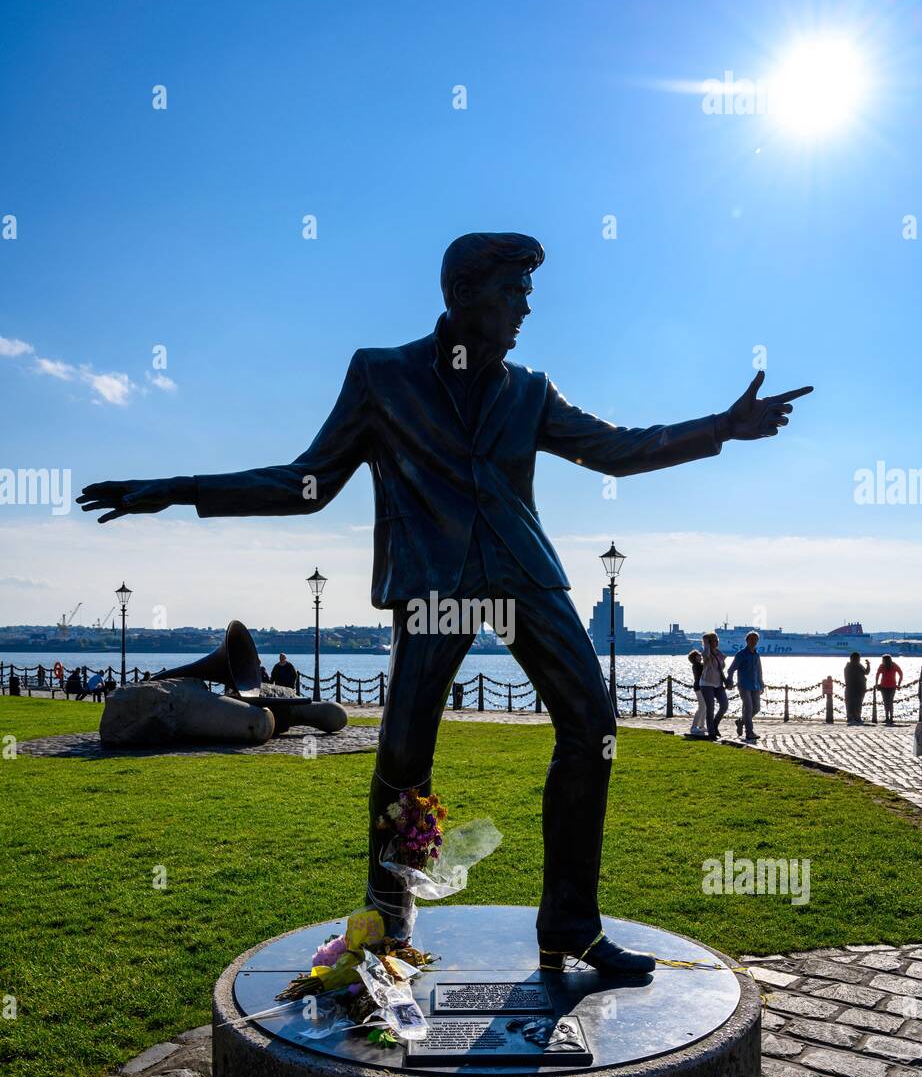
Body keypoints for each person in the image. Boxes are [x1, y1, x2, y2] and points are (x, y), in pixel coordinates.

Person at [78, 231, 812, 977]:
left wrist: (719, 428)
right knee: (403, 753)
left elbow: (616, 449)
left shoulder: (531, 389)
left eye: (528, 292)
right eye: (513, 292)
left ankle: (569, 923)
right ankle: (389, 923)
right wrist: (178, 489)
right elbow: (307, 485)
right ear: (463, 295)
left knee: (592, 728)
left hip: (526, 577)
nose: (527, 307)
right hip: (434, 586)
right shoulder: (382, 377)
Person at [726, 630, 764, 742]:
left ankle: (741, 722)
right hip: (744, 685)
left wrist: (761, 683)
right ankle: (749, 732)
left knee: (756, 708)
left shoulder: (757, 655)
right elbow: (731, 669)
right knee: (748, 708)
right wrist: (730, 680)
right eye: (751, 639)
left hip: (755, 685)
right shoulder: (741, 654)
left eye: (755, 639)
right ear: (747, 640)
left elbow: (759, 670)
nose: (753, 641)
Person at [699, 633, 728, 740]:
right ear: (709, 643)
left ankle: (714, 725)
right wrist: (706, 643)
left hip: (718, 683)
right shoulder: (706, 654)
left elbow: (721, 668)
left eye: (716, 640)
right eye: (713, 641)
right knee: (710, 708)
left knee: (724, 705)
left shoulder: (719, 653)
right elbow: (706, 655)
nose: (716, 642)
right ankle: (711, 732)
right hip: (706, 683)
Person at [875, 654, 903, 726]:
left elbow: (877, 675)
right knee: (890, 702)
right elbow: (901, 674)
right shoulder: (894, 665)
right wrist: (899, 684)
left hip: (884, 686)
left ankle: (887, 717)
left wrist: (876, 684)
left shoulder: (882, 666)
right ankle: (890, 718)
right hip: (892, 686)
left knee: (886, 702)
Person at [844, 652, 870, 725]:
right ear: (853, 658)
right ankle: (853, 717)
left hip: (858, 688)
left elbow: (866, 672)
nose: (859, 660)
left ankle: (856, 717)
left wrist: (868, 665)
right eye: (858, 658)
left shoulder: (857, 666)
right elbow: (865, 673)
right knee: (853, 703)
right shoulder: (851, 666)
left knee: (856, 703)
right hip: (854, 688)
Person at [686, 649, 707, 736]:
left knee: (704, 707)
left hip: (700, 686)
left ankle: (701, 725)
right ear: (695, 657)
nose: (701, 656)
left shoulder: (697, 665)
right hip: (699, 687)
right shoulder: (697, 665)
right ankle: (694, 726)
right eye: (698, 655)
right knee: (702, 706)